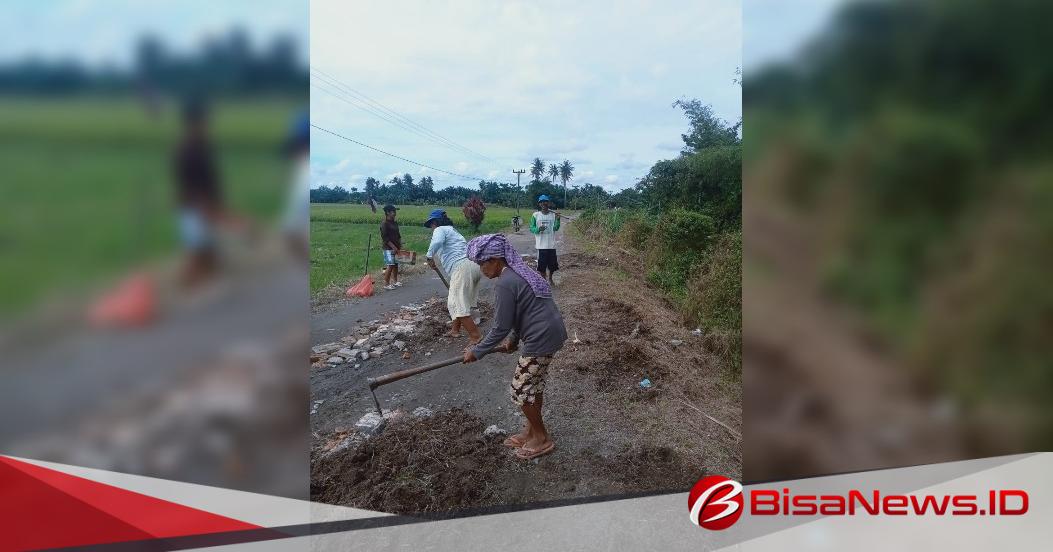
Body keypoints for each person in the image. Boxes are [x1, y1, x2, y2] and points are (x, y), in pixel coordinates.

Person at [463, 233, 567, 460]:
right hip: (550, 332)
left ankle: (541, 438)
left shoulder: (505, 282)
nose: (481, 269)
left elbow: (499, 327)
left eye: (483, 263)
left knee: (520, 389)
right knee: (533, 387)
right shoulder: (520, 272)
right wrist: (514, 338)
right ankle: (530, 431)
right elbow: (522, 312)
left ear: (497, 259)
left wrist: (477, 351)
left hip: (541, 338)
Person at [424, 209, 483, 343]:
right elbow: (447, 249)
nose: (431, 228)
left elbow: (437, 242)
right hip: (472, 266)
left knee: (456, 303)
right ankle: (455, 330)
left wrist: (428, 256)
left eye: (432, 224)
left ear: (436, 222)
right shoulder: (452, 230)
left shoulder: (440, 230)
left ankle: (476, 336)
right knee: (457, 300)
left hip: (462, 268)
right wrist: (435, 262)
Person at [530, 195, 561, 284]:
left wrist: (558, 220)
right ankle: (544, 280)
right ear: (539, 204)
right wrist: (538, 229)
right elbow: (531, 228)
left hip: (551, 245)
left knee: (552, 265)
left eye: (546, 201)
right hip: (541, 246)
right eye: (542, 202)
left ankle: (550, 278)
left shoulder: (553, 215)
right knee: (542, 266)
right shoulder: (535, 215)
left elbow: (555, 228)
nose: (544, 203)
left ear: (549, 203)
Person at [380, 204, 403, 290]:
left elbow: (398, 235)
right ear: (388, 212)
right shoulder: (384, 224)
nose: (395, 213)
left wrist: (399, 245)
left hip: (396, 247)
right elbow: (385, 238)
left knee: (396, 264)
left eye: (395, 211)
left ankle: (395, 281)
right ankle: (386, 284)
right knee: (390, 265)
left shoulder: (395, 222)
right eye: (393, 211)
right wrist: (393, 247)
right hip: (388, 248)